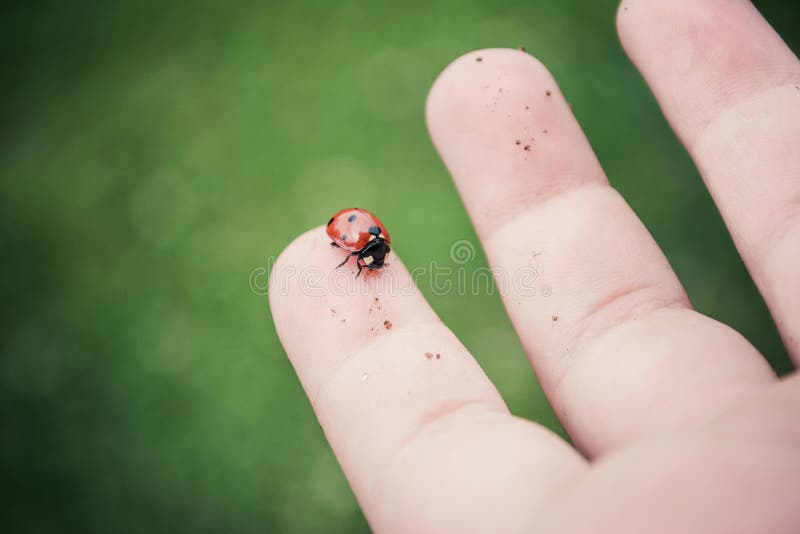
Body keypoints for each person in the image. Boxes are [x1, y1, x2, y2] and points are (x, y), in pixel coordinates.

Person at [269, 1, 800, 531]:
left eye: (370, 256)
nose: (372, 259)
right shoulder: (365, 237)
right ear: (367, 248)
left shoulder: (366, 241)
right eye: (369, 256)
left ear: (369, 249)